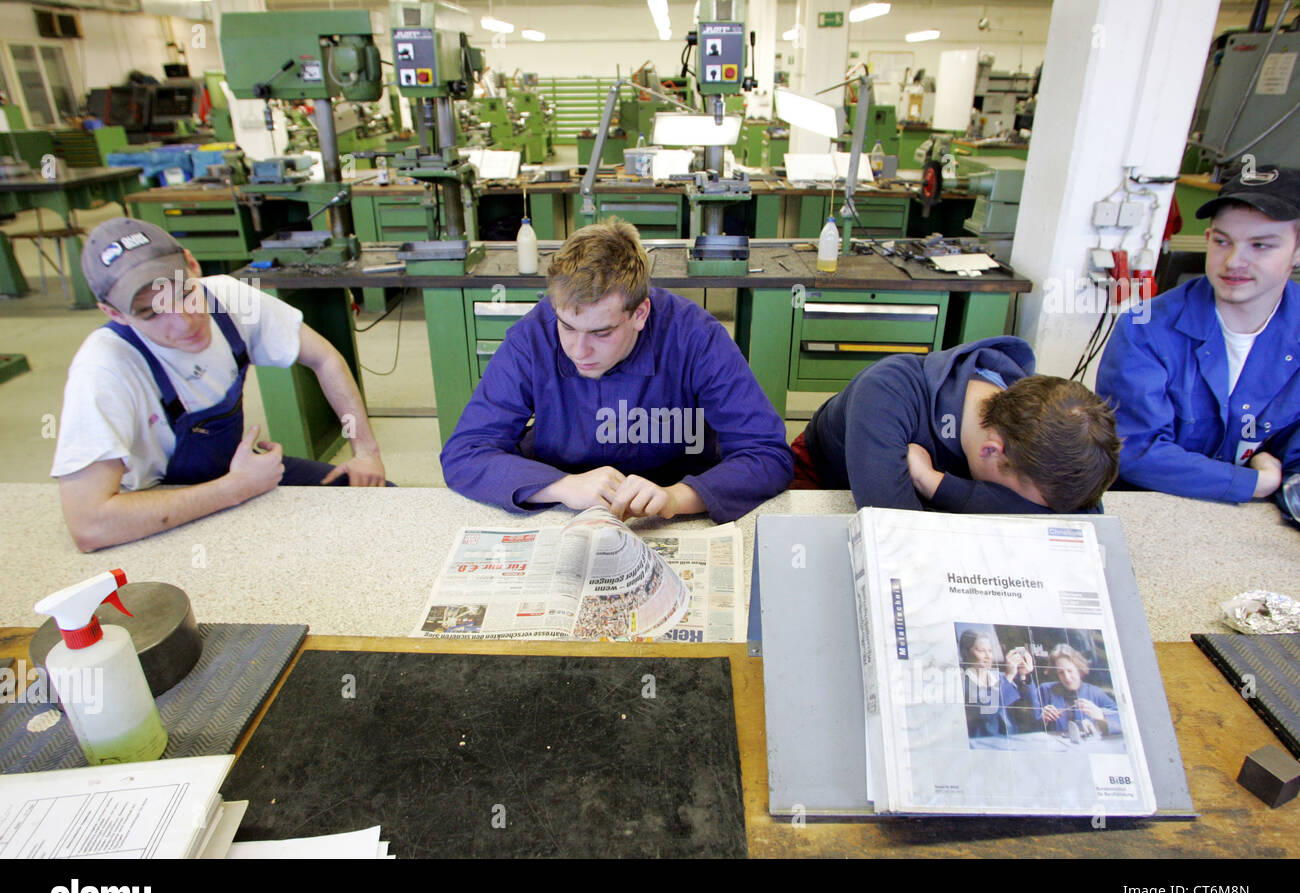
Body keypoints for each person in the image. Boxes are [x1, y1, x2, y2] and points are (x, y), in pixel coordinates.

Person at [53, 217, 388, 552]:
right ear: (113, 313)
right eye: (152, 314)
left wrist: (366, 452)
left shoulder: (228, 299)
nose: (184, 323)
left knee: (381, 501)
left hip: (236, 473)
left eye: (185, 293)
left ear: (192, 264)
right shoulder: (102, 370)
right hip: (155, 511)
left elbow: (324, 358)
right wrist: (235, 489)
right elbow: (89, 525)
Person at [439, 219, 793, 523]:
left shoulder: (695, 336)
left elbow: (767, 454)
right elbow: (465, 452)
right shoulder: (532, 337)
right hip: (565, 508)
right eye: (567, 327)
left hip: (675, 506)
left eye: (601, 333)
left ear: (640, 314)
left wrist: (676, 498)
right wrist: (563, 486)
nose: (579, 351)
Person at [1096, 164, 1300, 503]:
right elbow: (1136, 450)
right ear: (1208, 239)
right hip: (1157, 510)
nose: (1234, 261)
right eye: (1223, 241)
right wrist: (1253, 483)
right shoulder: (1143, 329)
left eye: (1261, 246)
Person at [791, 337, 1121, 513]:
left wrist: (935, 484)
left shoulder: (1042, 425)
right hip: (825, 485)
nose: (1032, 510)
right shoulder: (887, 392)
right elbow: (898, 534)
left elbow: (1085, 524)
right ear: (992, 450)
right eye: (1034, 504)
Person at [958, 629, 1038, 739]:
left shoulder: (1000, 677)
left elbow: (1032, 714)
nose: (988, 656)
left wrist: (1024, 676)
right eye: (981, 651)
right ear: (965, 652)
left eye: (990, 651)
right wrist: (1009, 677)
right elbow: (988, 710)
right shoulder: (961, 682)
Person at [1035, 643, 1121, 737]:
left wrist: (1101, 715)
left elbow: (1124, 720)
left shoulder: (1095, 693)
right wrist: (1043, 720)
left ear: (1079, 669)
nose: (1067, 677)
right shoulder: (1045, 690)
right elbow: (1026, 727)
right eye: (1061, 672)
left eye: (1070, 670)